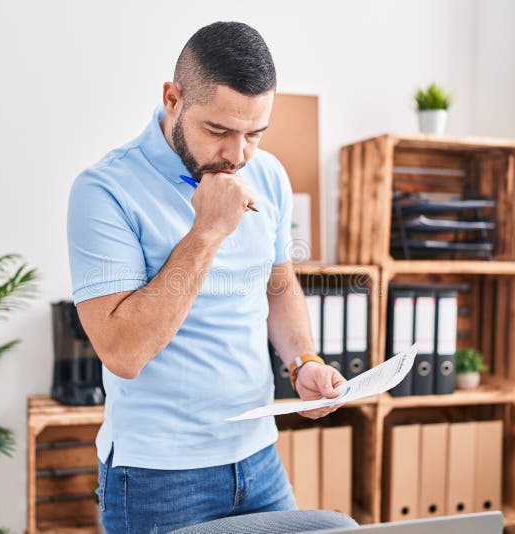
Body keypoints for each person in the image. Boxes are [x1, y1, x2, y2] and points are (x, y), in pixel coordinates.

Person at [66, 20, 347, 534]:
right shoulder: (104, 190)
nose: (237, 155)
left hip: (258, 456)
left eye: (254, 134)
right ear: (173, 99)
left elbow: (278, 285)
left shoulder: (269, 176)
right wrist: (208, 231)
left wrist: (302, 360)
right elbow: (124, 353)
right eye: (218, 131)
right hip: (157, 477)